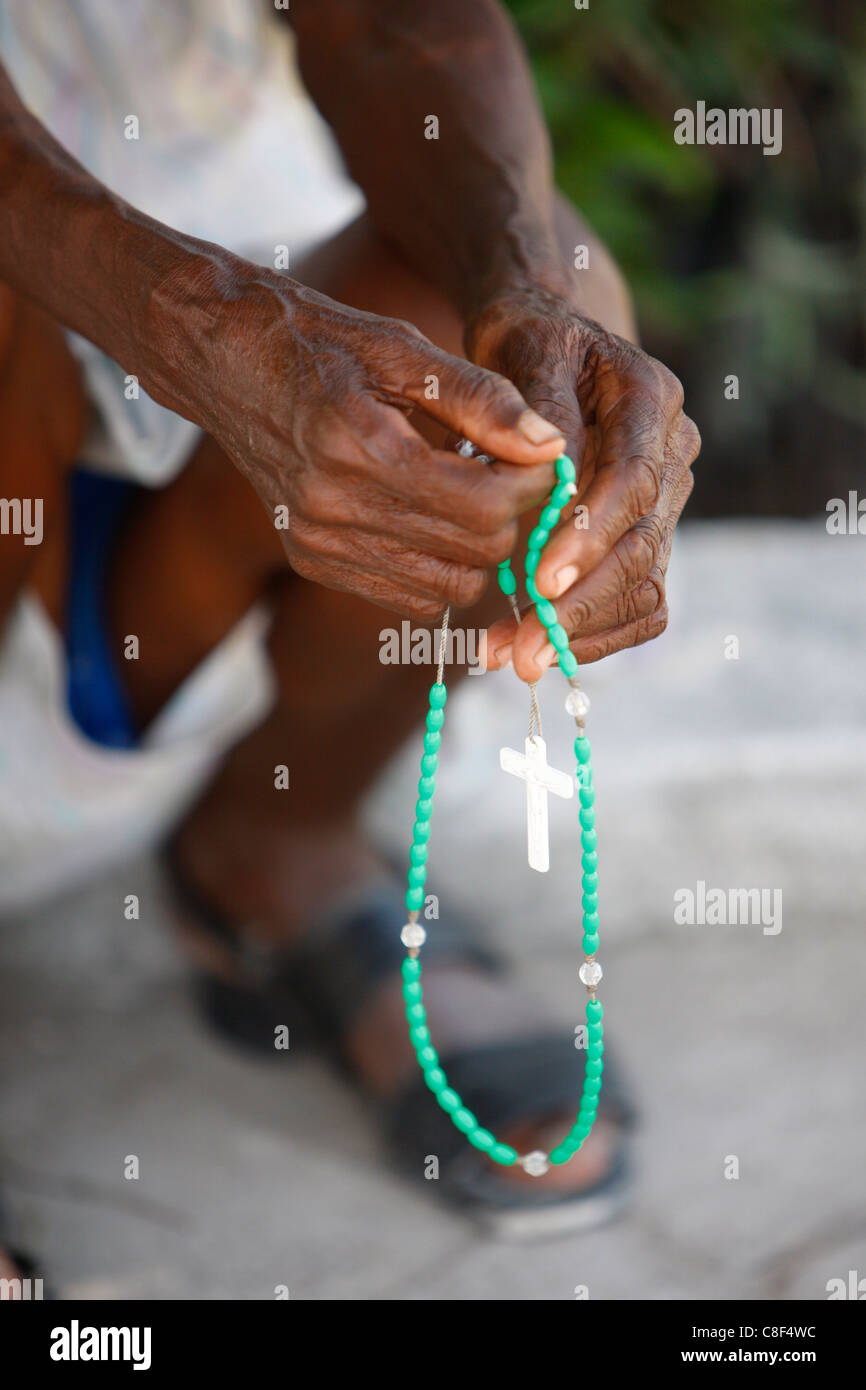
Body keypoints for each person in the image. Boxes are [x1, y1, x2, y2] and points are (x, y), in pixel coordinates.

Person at [0, 0, 699, 1265]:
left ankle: (276, 835)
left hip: (233, 244)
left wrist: (528, 295)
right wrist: (204, 329)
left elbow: (393, 21)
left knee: (498, 342)